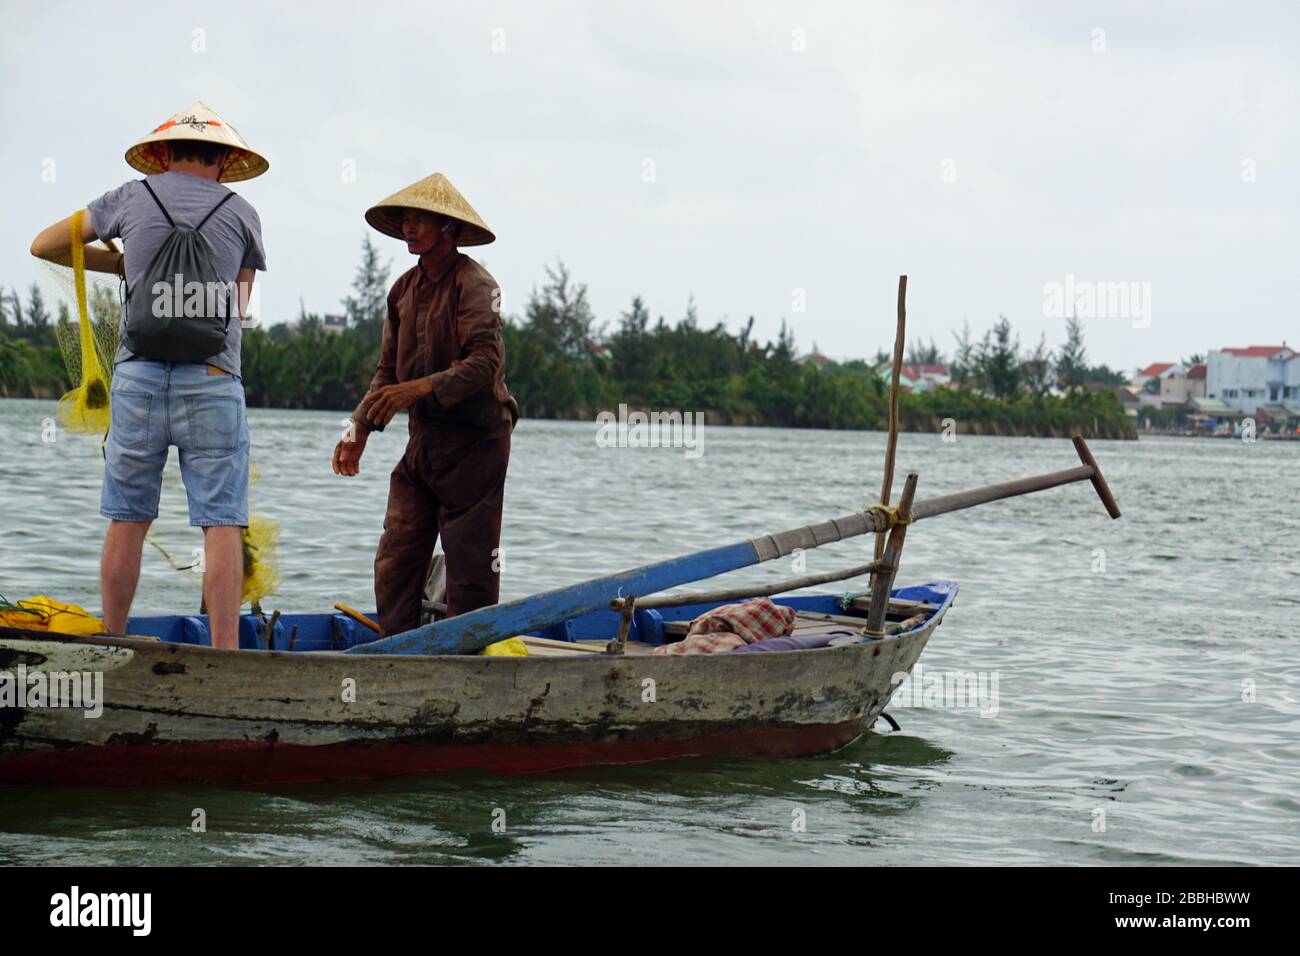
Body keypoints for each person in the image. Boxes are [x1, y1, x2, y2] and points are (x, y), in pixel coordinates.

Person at [29, 101, 269, 649]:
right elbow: (238, 307)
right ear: (225, 160)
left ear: (161, 154)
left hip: (137, 380)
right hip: (212, 379)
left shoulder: (130, 196)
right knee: (222, 524)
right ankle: (226, 655)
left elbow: (44, 244)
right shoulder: (242, 214)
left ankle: (114, 641)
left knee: (127, 518)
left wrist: (124, 262)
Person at [331, 173, 518, 635]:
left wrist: (418, 390)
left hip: (476, 444)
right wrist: (358, 430)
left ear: (449, 229)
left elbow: (484, 362)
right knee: (397, 552)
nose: (409, 229)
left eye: (420, 220)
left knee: (471, 567)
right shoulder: (402, 290)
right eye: (405, 221)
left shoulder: (476, 284)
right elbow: (387, 373)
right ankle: (396, 651)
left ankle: (467, 659)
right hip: (425, 443)